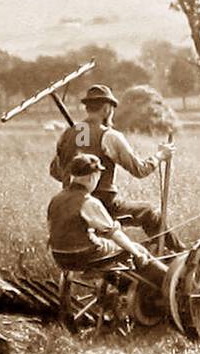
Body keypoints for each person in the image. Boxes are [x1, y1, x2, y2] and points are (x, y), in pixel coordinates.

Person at [48, 85, 174, 244]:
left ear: (88, 108)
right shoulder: (110, 136)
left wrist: (78, 179)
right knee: (149, 212)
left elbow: (55, 172)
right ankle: (179, 255)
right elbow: (140, 170)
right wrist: (160, 156)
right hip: (105, 206)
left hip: (70, 206)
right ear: (107, 109)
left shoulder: (68, 133)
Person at [47, 154, 168, 286]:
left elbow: (57, 227)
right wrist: (137, 254)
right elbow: (114, 233)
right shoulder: (88, 201)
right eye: (98, 176)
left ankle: (124, 285)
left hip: (59, 256)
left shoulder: (56, 199)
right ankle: (166, 280)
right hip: (84, 256)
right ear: (92, 176)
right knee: (136, 249)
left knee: (106, 246)